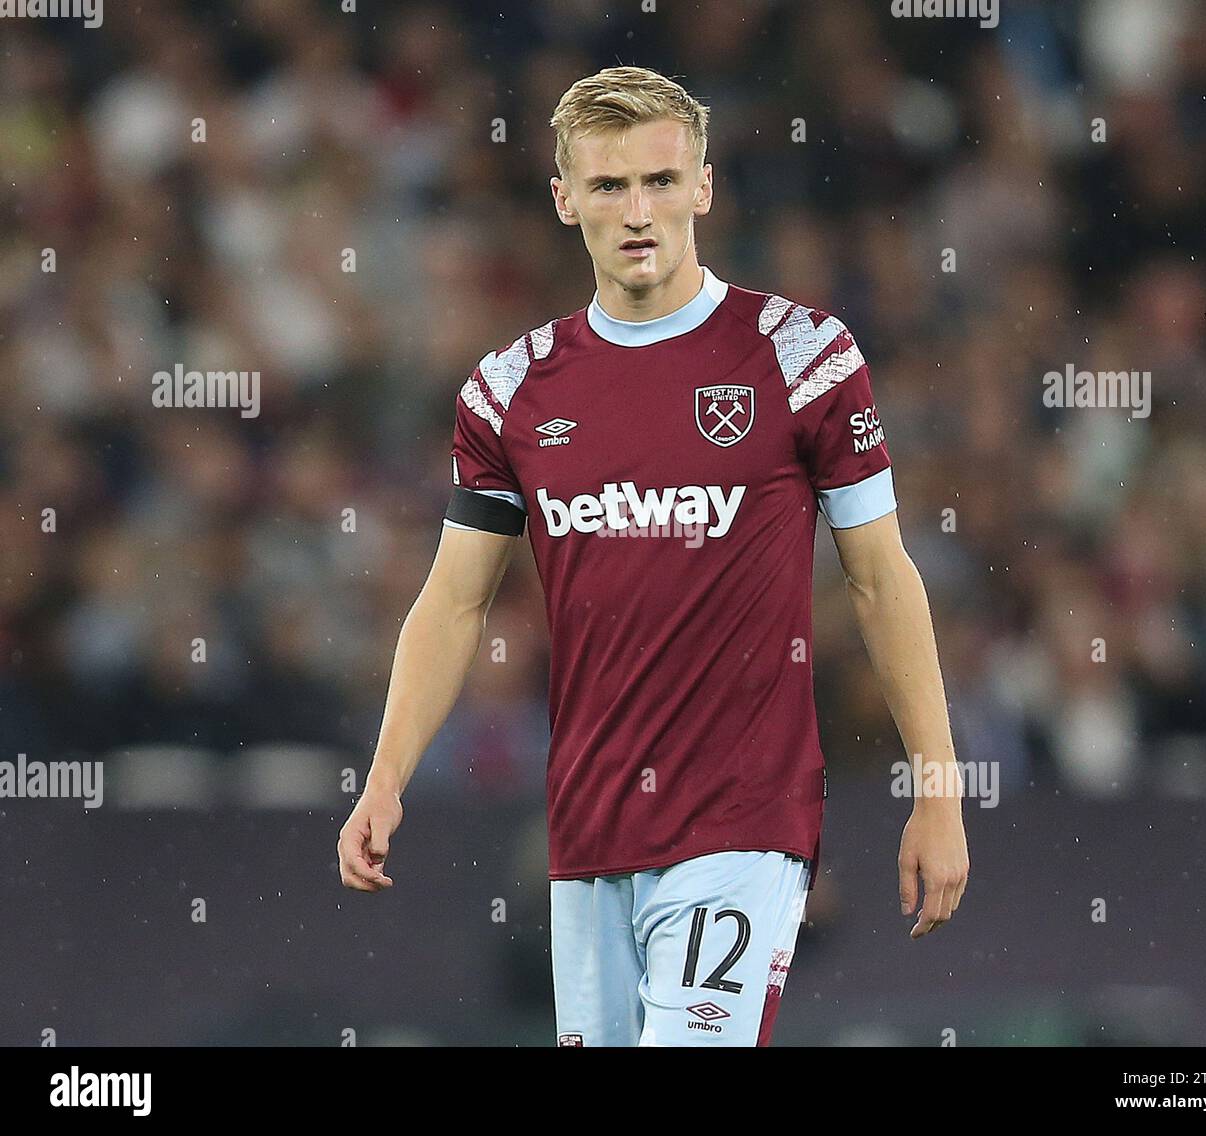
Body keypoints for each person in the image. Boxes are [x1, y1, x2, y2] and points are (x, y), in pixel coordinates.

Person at [338, 65, 969, 1047]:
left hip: (742, 819)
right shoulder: (511, 390)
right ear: (563, 199)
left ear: (704, 187)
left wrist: (937, 787)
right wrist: (384, 778)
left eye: (660, 181)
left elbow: (882, 577)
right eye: (607, 185)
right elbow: (454, 601)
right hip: (586, 828)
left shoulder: (801, 357)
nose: (638, 211)